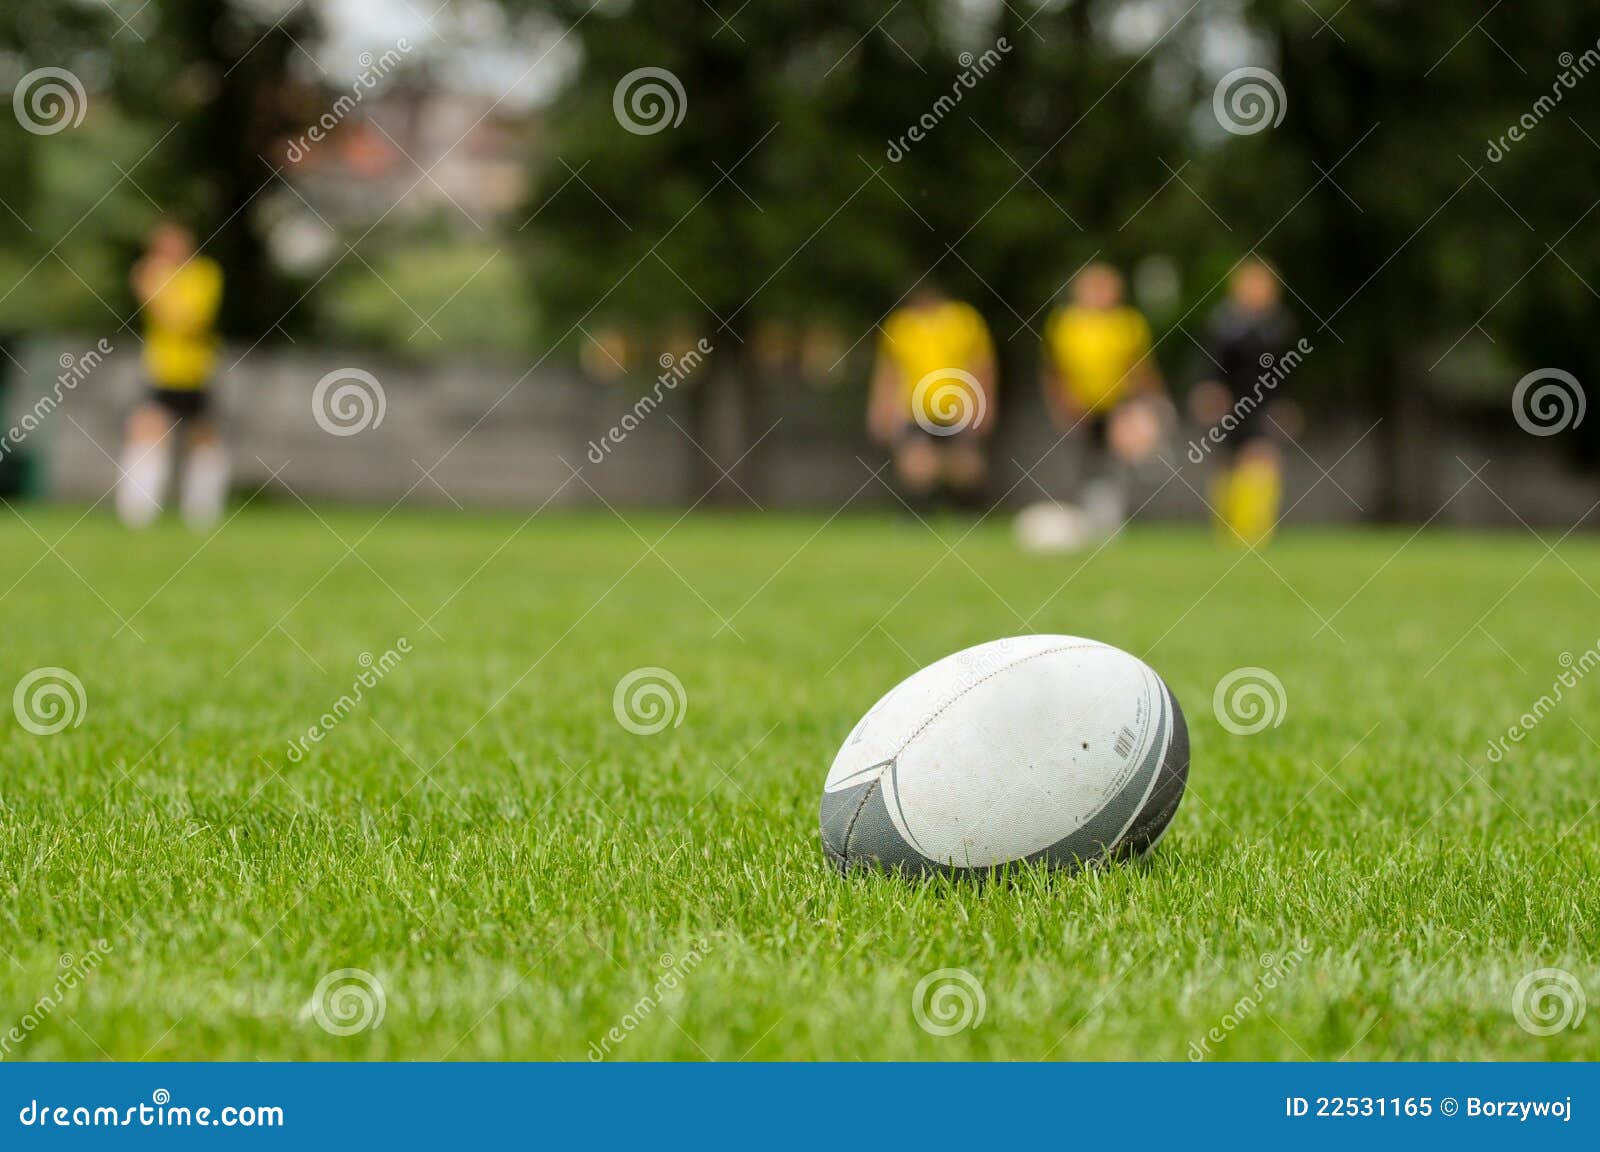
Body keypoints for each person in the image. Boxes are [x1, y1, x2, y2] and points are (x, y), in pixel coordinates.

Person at [1040, 263, 1169, 531]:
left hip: (1118, 405)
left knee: (1120, 461)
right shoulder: (1064, 323)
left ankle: (1116, 517)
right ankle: (1085, 516)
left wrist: (1152, 403)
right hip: (1080, 406)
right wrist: (1063, 403)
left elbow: (1140, 367)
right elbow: (1054, 370)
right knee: (1085, 460)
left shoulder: (1128, 323)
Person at [117, 222, 228, 529]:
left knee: (203, 438)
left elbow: (186, 320)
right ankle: (137, 512)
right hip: (160, 369)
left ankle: (202, 512)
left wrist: (154, 289)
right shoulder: (152, 274)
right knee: (147, 431)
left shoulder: (205, 274)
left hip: (198, 370)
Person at [1189, 258, 1299, 546]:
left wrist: (1284, 404)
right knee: (1227, 462)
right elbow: (1209, 365)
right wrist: (1209, 393)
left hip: (1263, 404)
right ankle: (1226, 527)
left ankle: (1254, 530)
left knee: (1262, 456)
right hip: (1227, 403)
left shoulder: (1279, 326)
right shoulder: (1222, 324)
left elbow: (1286, 372)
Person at [869, 282, 998, 511]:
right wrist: (881, 408)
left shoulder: (965, 320)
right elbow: (889, 371)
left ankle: (968, 515)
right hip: (914, 410)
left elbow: (983, 365)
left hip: (957, 408)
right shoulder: (899, 325)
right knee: (917, 467)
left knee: (964, 467)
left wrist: (985, 404)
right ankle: (921, 517)